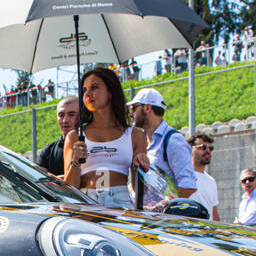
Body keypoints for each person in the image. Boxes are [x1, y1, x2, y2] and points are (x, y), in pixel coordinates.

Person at [62, 67, 148, 207]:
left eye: (94, 87)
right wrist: (76, 162)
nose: (88, 94)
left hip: (121, 203)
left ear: (110, 92)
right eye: (84, 90)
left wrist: (142, 167)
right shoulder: (75, 136)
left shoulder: (135, 135)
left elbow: (140, 189)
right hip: (87, 203)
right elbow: (70, 190)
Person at [127, 88, 196, 207]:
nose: (131, 114)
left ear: (147, 108)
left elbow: (188, 185)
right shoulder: (141, 141)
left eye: (134, 108)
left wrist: (162, 206)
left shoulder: (172, 140)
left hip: (164, 220)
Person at [37, 96, 78, 176]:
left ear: (83, 116)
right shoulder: (48, 151)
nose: (65, 120)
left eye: (71, 115)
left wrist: (51, 177)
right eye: (61, 115)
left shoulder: (91, 146)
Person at [187, 133, 219, 221]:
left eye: (210, 148)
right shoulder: (181, 176)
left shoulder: (211, 181)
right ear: (190, 149)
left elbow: (213, 211)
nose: (208, 151)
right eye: (203, 147)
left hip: (206, 232)